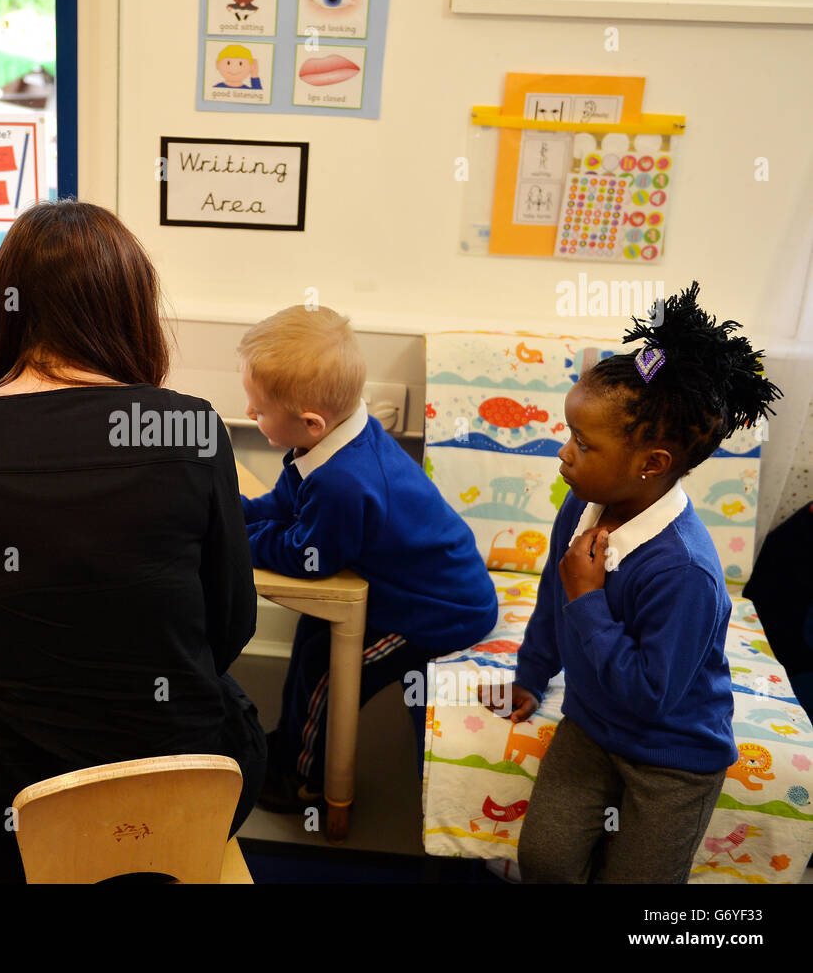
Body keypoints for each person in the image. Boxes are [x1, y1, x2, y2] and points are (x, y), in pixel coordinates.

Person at [0, 199, 266, 883]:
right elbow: (231, 626)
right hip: (177, 793)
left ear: (8, 309)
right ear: (132, 308)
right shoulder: (189, 430)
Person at [482, 282, 782, 883]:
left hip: (673, 754)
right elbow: (553, 596)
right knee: (544, 859)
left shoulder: (685, 571)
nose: (564, 454)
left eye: (583, 443)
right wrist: (532, 673)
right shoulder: (583, 504)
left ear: (653, 464)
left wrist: (589, 597)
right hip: (593, 724)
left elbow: (651, 694)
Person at [238, 305, 497, 811]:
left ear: (310, 422)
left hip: (435, 611)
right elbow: (287, 503)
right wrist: (237, 514)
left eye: (258, 409)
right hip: (415, 587)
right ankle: (294, 741)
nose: (250, 415)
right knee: (312, 635)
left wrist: (240, 540)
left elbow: (306, 555)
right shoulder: (337, 435)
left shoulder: (345, 480)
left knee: (326, 668)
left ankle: (305, 780)